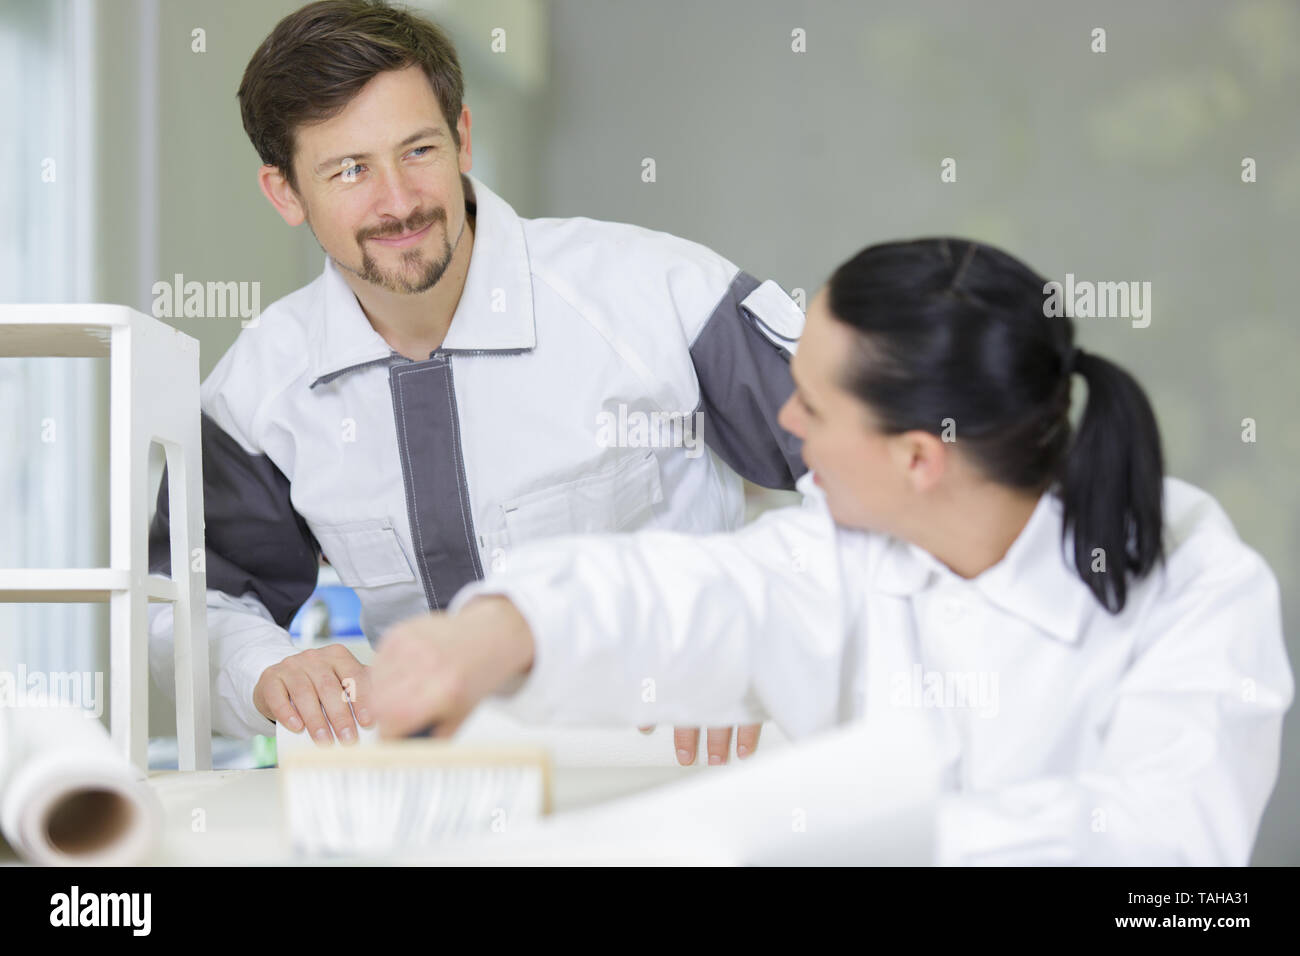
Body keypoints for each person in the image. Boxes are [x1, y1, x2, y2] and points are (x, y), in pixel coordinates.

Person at [371, 237, 1294, 864]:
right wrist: (496, 632)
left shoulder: (1199, 586)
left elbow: (1176, 876)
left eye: (813, 403)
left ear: (919, 456)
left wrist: (854, 823)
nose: (784, 419)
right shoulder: (851, 549)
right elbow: (688, 592)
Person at [147, 0, 807, 766]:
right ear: (285, 192)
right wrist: (266, 669)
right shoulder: (256, 392)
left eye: (418, 149)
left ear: (462, 138)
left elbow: (879, 489)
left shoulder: (663, 294)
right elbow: (188, 600)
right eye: (349, 169)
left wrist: (753, 634)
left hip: (681, 774)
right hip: (441, 794)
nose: (398, 202)